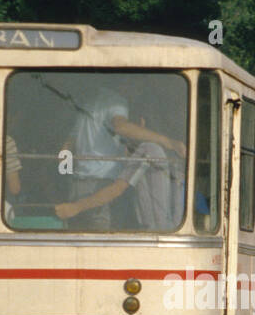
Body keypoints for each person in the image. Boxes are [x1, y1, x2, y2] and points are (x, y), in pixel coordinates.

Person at [54, 84, 186, 230]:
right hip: (101, 189)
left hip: (78, 186)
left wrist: (66, 176)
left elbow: (65, 151)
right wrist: (168, 142)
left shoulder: (87, 105)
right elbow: (121, 127)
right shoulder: (118, 103)